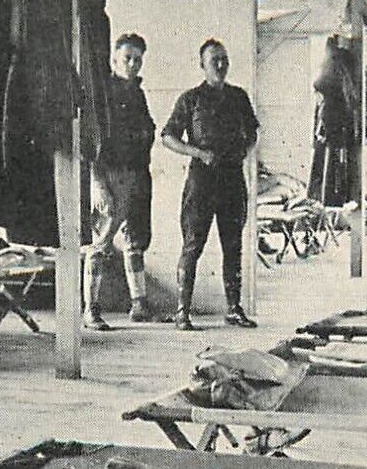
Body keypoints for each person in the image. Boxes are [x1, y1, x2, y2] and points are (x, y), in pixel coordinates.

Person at [161, 38, 260, 331]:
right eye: (214, 59)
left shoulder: (239, 97)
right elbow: (168, 136)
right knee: (193, 245)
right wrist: (198, 153)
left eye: (224, 59)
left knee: (233, 245)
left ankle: (234, 309)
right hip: (202, 182)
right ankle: (182, 312)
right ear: (202, 65)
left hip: (232, 180)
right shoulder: (190, 99)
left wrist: (246, 151)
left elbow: (253, 132)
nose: (220, 64)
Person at [82, 33, 157, 330]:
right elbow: (91, 143)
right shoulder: (102, 94)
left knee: (135, 241)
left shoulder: (138, 94)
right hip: (111, 175)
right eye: (127, 58)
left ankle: (139, 304)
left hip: (138, 175)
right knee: (100, 243)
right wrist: (98, 183)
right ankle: (91, 309)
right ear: (114, 60)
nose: (133, 64)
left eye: (138, 59)